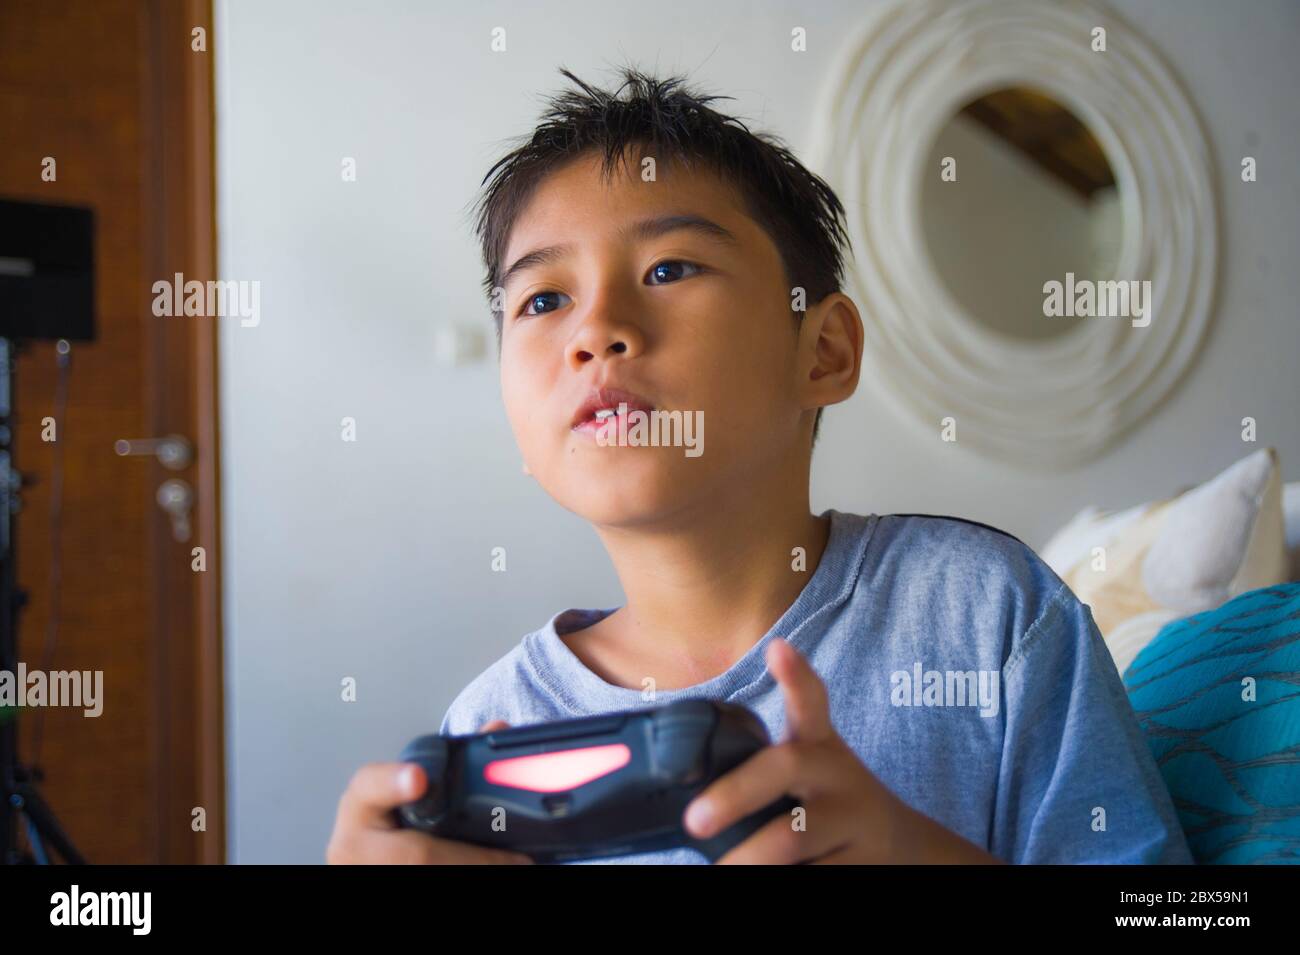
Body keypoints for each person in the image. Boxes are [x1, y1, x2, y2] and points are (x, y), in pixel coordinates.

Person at [327, 67, 1192, 865]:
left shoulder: (984, 611)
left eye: (668, 267)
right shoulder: (486, 733)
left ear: (822, 354)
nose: (595, 330)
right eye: (543, 298)